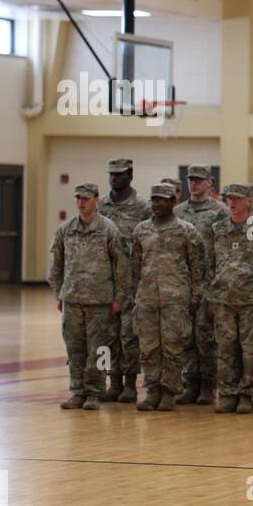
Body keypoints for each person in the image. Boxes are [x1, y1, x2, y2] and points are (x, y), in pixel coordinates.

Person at [48, 183, 129, 410]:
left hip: (100, 302)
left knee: (100, 349)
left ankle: (95, 391)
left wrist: (119, 298)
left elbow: (121, 267)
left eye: (85, 198)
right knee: (74, 349)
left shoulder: (108, 229)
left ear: (96, 200)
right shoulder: (66, 229)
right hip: (72, 300)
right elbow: (56, 264)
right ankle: (77, 391)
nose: (81, 202)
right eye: (78, 198)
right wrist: (59, 293)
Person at [131, 183, 203, 411]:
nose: (157, 204)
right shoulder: (141, 230)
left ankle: (170, 392)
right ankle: (152, 390)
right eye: (153, 199)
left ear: (173, 201)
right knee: (148, 347)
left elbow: (197, 267)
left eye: (162, 199)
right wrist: (135, 294)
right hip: (147, 298)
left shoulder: (187, 230)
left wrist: (196, 297)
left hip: (176, 298)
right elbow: (135, 267)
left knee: (172, 347)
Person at [205, 184, 253, 414]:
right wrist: (211, 295)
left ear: (249, 201)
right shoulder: (217, 229)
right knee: (226, 349)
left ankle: (247, 394)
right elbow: (209, 264)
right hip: (223, 299)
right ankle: (227, 394)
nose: (231, 202)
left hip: (251, 299)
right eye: (228, 198)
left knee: (251, 351)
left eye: (237, 198)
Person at [174, 165, 230, 405]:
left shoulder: (220, 211)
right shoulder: (177, 211)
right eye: (190, 180)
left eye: (198, 180)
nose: (193, 184)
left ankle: (208, 385)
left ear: (209, 182)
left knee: (206, 337)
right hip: (182, 283)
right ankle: (190, 383)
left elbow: (225, 249)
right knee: (186, 337)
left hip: (209, 284)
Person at [98, 157, 151, 404]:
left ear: (130, 176)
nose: (114, 178)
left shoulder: (143, 208)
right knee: (107, 336)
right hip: (105, 282)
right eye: (111, 174)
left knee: (129, 336)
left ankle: (130, 384)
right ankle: (113, 381)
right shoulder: (101, 207)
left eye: (119, 174)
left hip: (131, 282)